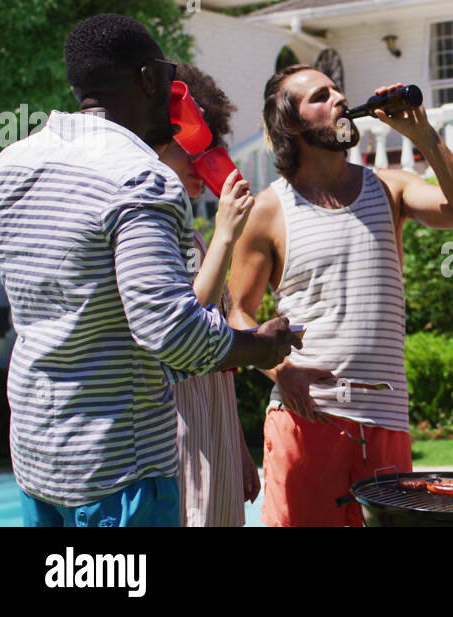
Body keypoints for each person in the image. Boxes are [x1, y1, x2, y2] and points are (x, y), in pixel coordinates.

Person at [0, 14, 297, 527]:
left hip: (37, 456)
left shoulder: (10, 164)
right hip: (120, 467)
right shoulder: (141, 178)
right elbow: (169, 332)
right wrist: (260, 348)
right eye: (169, 77)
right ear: (148, 78)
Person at [227, 65, 453, 526]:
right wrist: (281, 372)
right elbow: (236, 312)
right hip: (307, 417)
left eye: (336, 89)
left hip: (386, 418)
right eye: (320, 96)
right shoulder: (269, 208)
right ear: (292, 124)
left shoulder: (390, 186)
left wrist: (424, 135)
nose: (339, 98)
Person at [155, 63, 259, 526]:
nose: (203, 164)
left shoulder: (193, 235)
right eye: (191, 150)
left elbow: (216, 349)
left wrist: (237, 444)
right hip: (176, 437)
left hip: (213, 431)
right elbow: (184, 329)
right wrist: (226, 236)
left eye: (209, 149)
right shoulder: (151, 231)